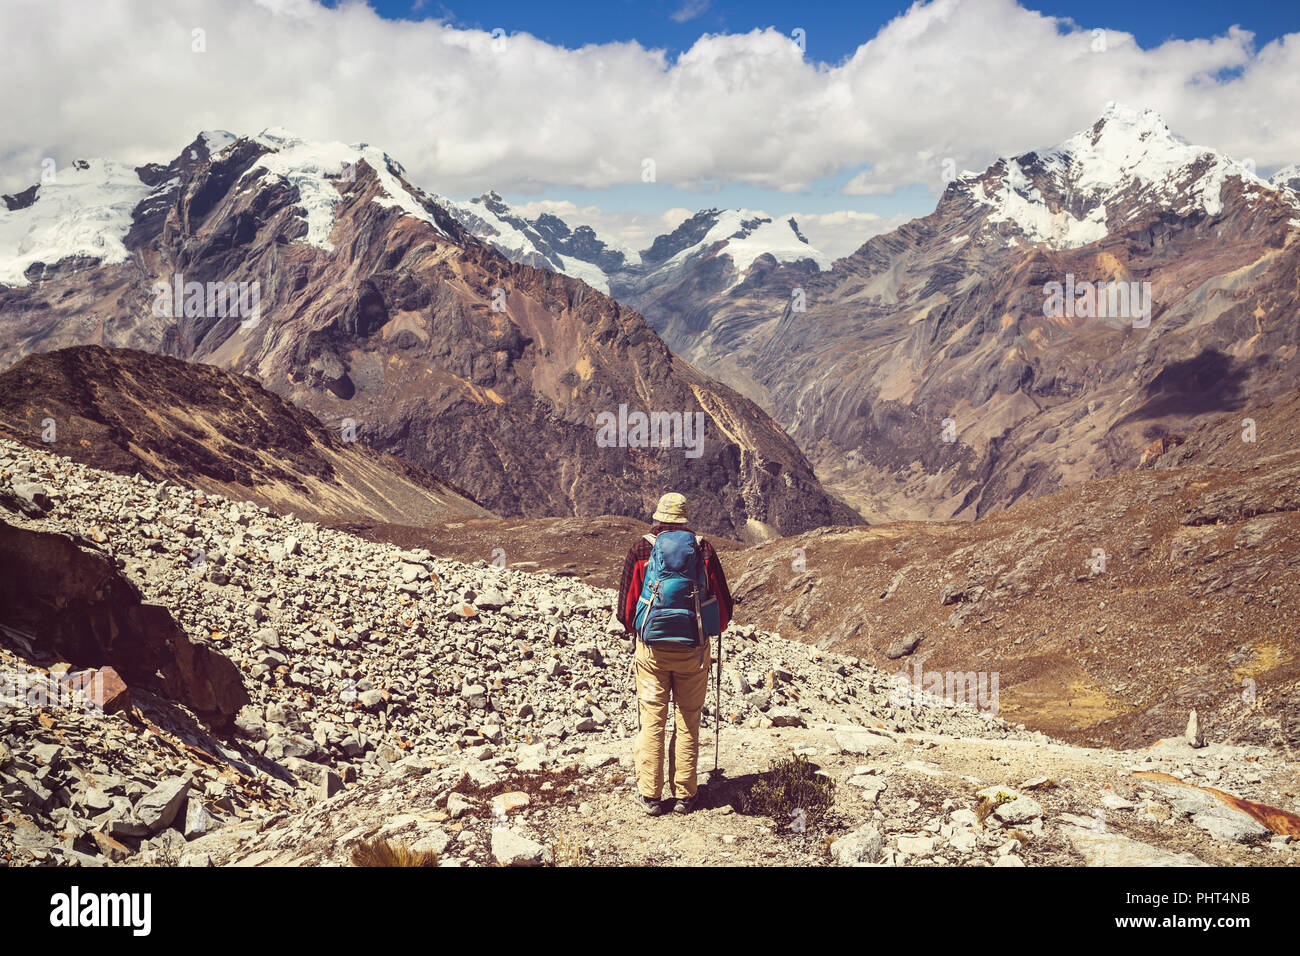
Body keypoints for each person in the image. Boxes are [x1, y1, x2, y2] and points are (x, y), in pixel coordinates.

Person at [616, 492, 733, 815]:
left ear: (657, 517)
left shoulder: (641, 549)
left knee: (652, 720)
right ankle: (685, 794)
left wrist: (640, 633)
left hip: (652, 651)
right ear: (684, 518)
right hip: (692, 652)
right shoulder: (703, 549)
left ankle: (651, 796)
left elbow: (625, 610)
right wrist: (708, 632)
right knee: (687, 720)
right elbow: (722, 606)